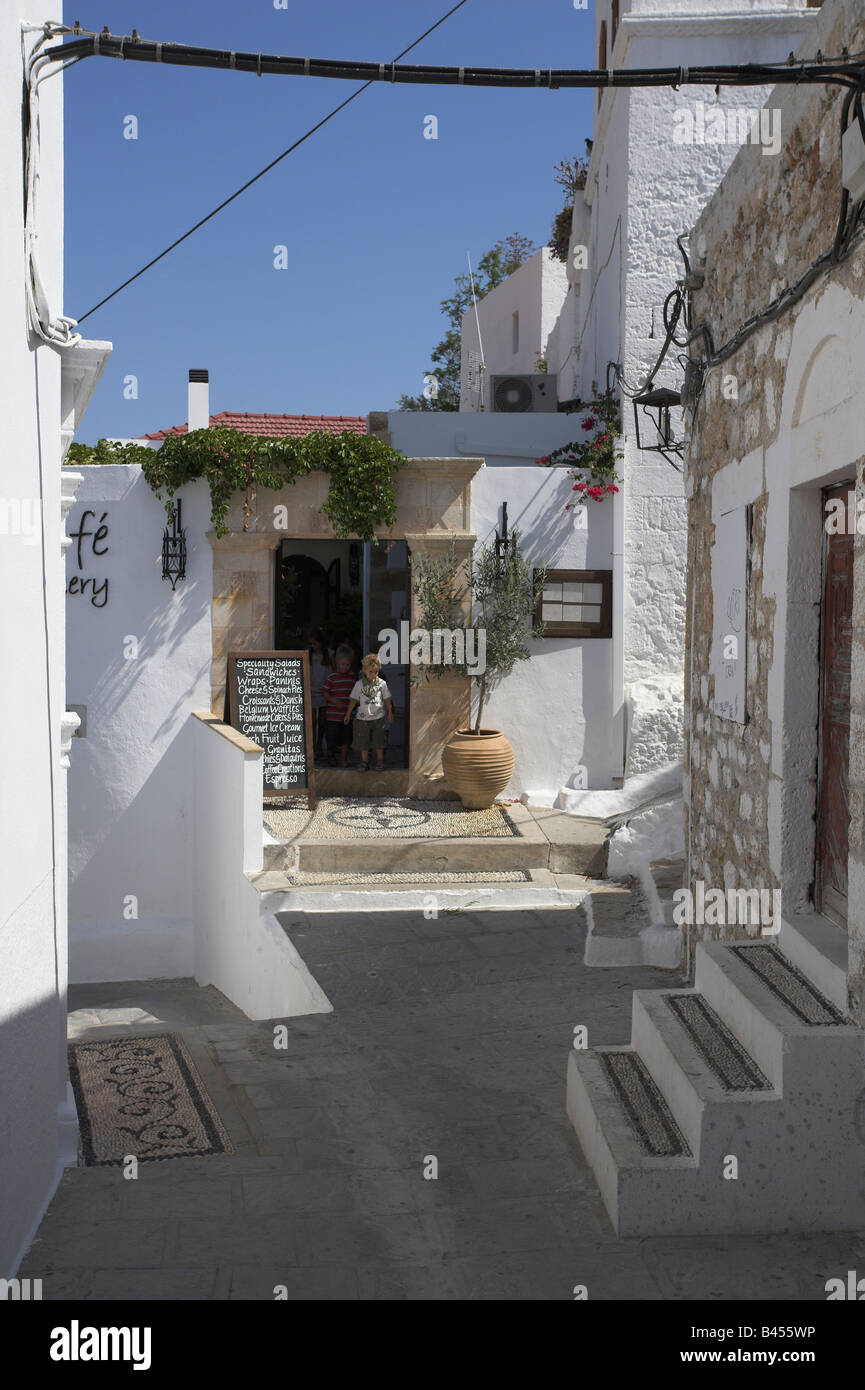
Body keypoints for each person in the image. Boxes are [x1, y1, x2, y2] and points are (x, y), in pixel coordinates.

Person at [344, 652, 394, 772]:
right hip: (362, 719)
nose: (373, 674)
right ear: (364, 670)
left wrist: (390, 713)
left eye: (376, 672)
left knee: (379, 741)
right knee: (363, 742)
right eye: (370, 672)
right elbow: (353, 700)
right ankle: (364, 762)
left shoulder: (382, 684)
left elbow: (387, 700)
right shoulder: (359, 685)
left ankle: (380, 761)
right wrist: (348, 713)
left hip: (379, 718)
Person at [321, 645, 356, 767]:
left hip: (347, 716)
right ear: (336, 663)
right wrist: (334, 701)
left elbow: (354, 695)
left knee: (346, 739)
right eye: (342, 664)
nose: (345, 667)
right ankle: (330, 756)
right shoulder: (332, 677)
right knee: (332, 738)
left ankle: (343, 759)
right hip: (333, 716)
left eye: (347, 665)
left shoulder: (352, 678)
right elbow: (324, 692)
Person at [308, 628, 331, 758]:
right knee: (312, 720)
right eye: (311, 644)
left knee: (322, 720)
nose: (313, 646)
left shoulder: (328, 655)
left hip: (324, 691)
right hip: (311, 690)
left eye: (315, 644)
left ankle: (318, 744)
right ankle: (312, 745)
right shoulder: (308, 655)